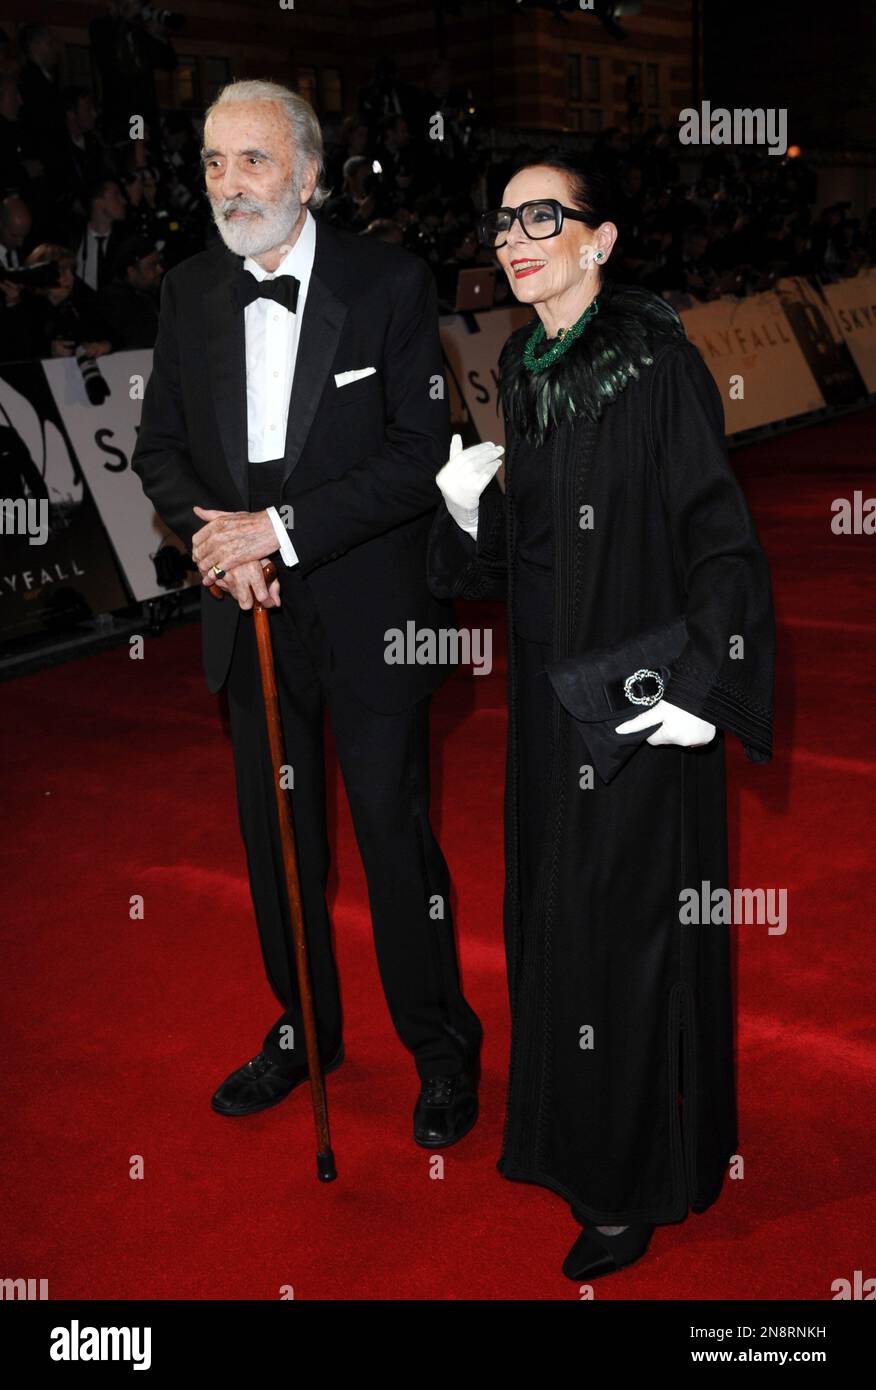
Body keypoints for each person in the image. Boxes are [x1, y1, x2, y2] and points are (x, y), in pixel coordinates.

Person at [427, 157, 775, 1279]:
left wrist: (698, 683)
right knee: (556, 928)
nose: (518, 237)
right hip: (546, 714)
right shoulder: (526, 372)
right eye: (506, 218)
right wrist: (466, 515)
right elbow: (526, 568)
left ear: (601, 240)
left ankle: (633, 1184)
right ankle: (572, 1144)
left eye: (545, 217)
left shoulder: (659, 367)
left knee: (629, 946)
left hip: (635, 708)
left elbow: (720, 539)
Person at [131, 79, 483, 1146]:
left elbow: (417, 455)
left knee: (391, 836)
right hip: (251, 617)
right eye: (212, 162)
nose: (228, 185)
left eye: (254, 161)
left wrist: (274, 531)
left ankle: (440, 1046)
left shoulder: (389, 282)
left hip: (373, 609)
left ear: (313, 176)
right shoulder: (190, 291)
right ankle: (306, 1029)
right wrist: (216, 543)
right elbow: (161, 451)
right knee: (277, 838)